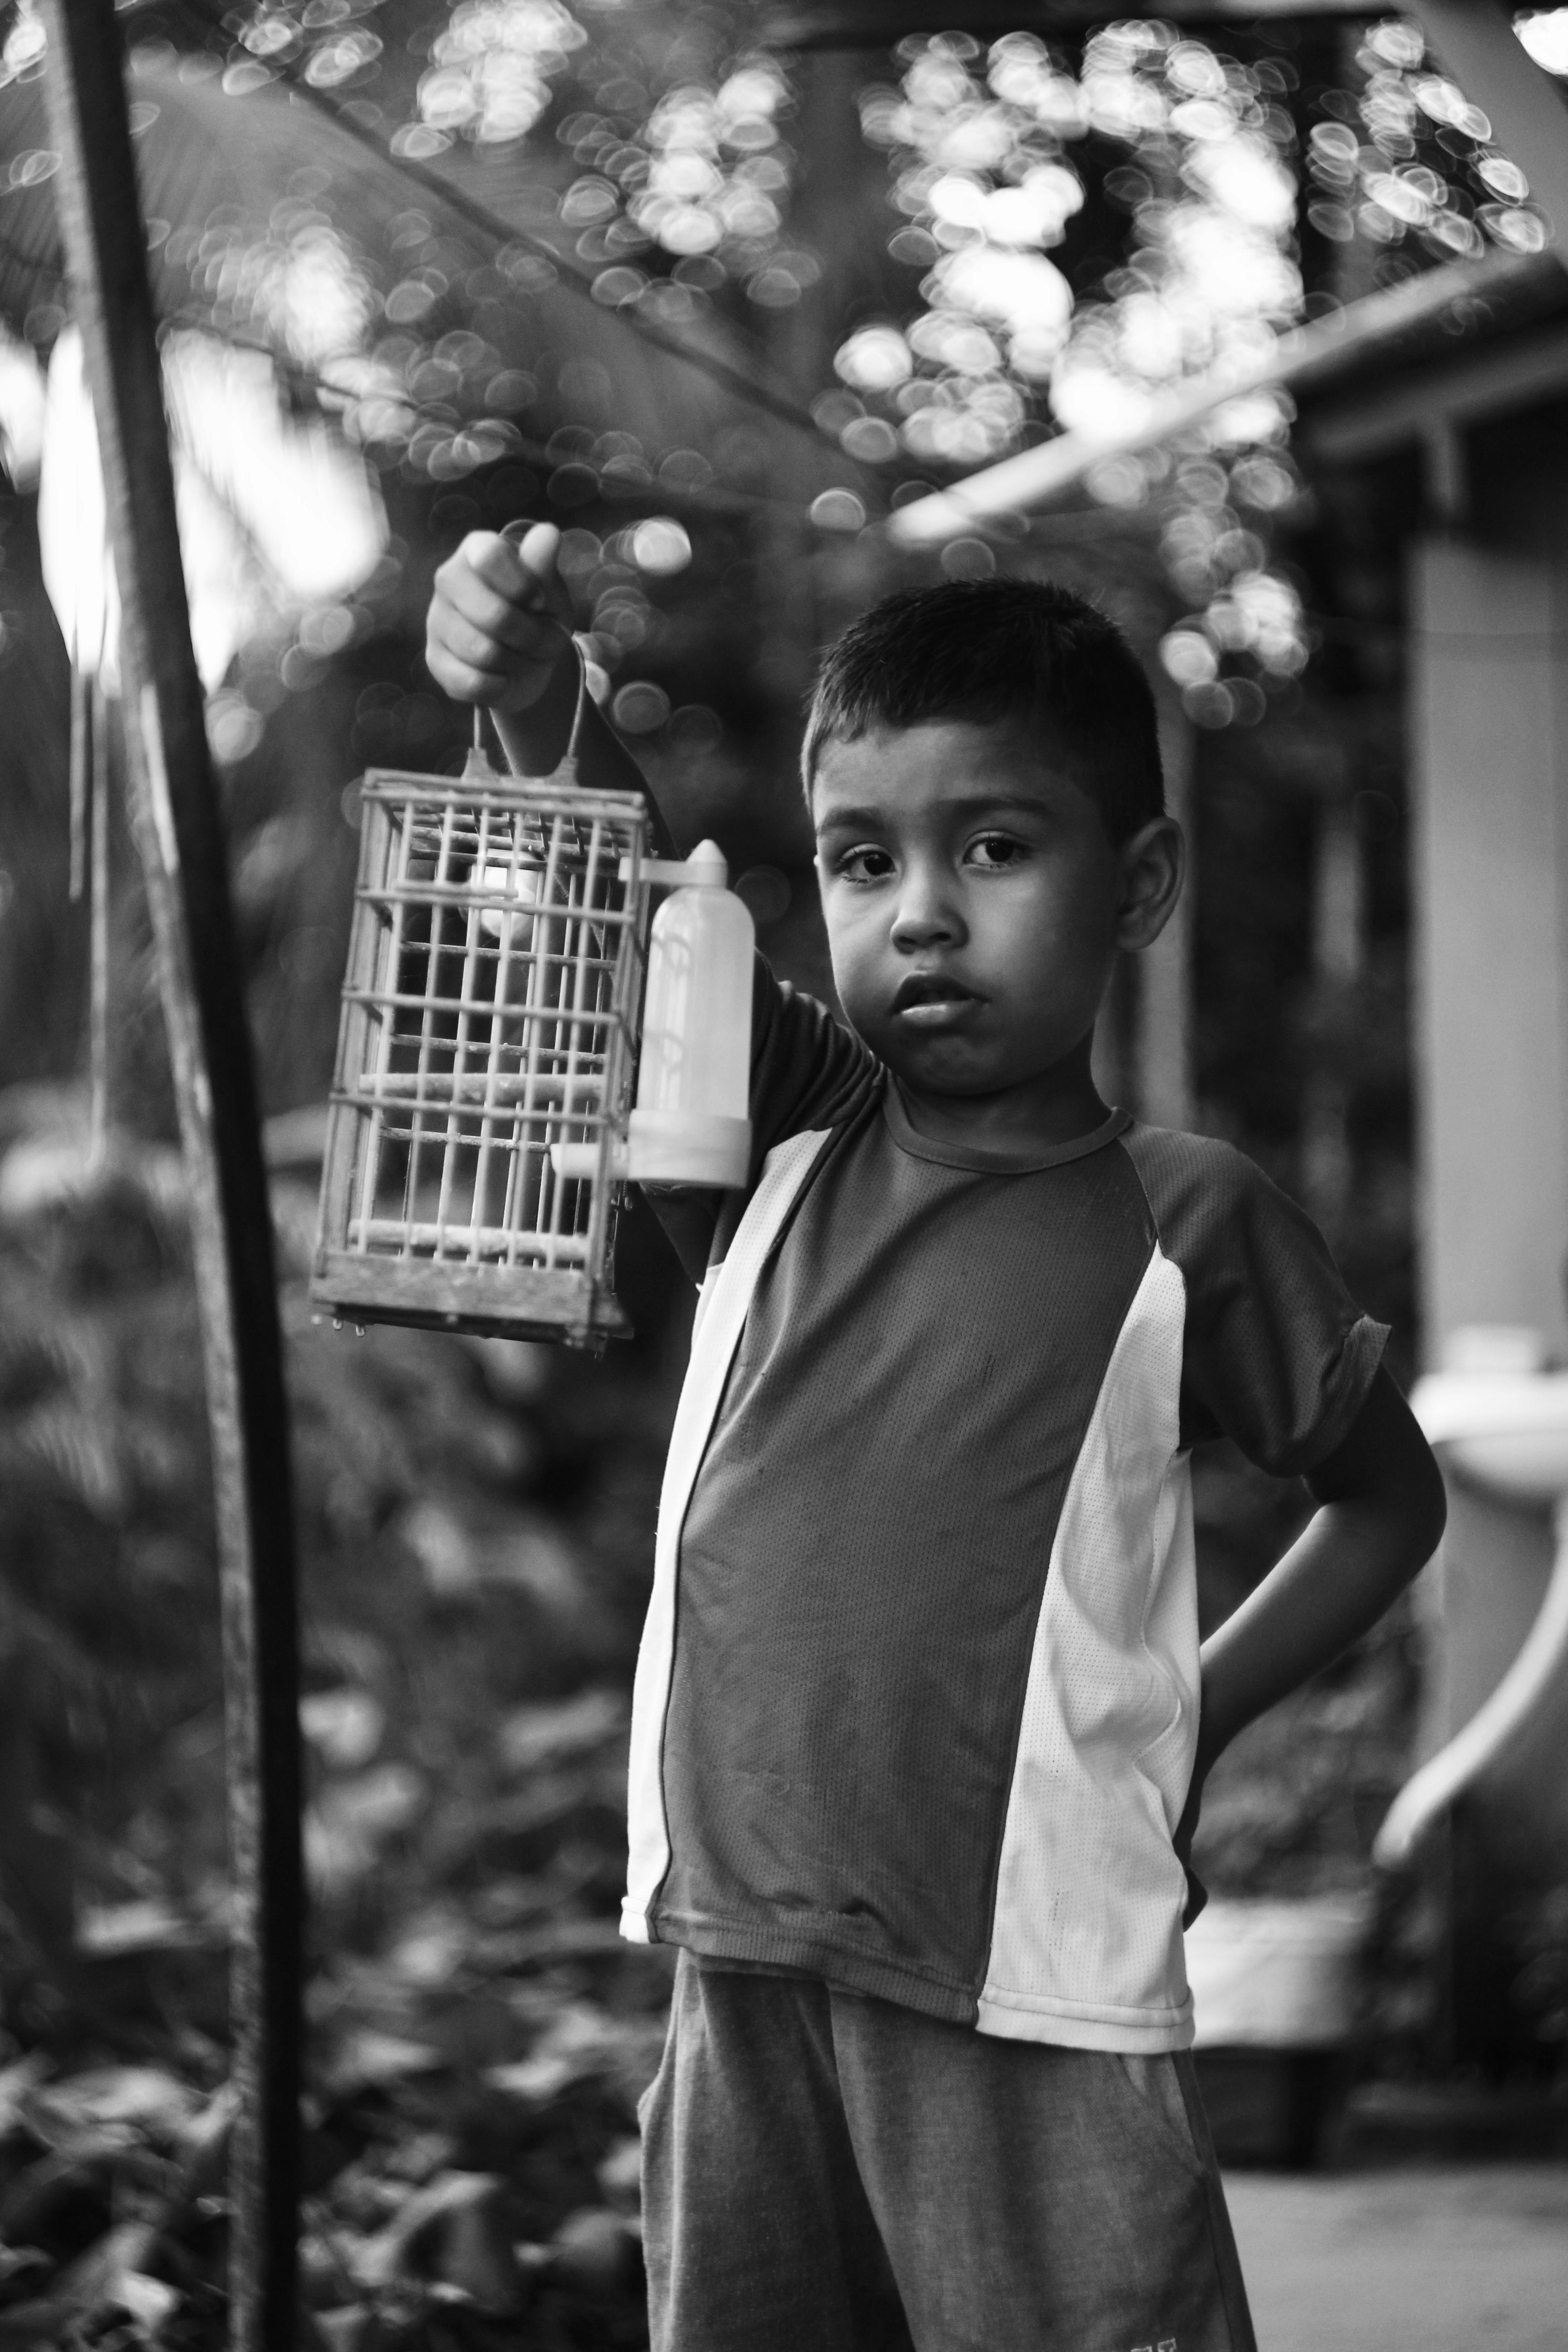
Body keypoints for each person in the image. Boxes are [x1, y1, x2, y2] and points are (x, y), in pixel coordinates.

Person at [426, 524, 1447, 2352]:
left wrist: (1190, 1708)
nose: (923, 912)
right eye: (862, 858)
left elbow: (1387, 1503)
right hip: (737, 1959)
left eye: (994, 847)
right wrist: (528, 704)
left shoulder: (1189, 1220)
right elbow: (647, 914)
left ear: (1138, 883)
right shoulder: (779, 1137)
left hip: (1033, 1977)